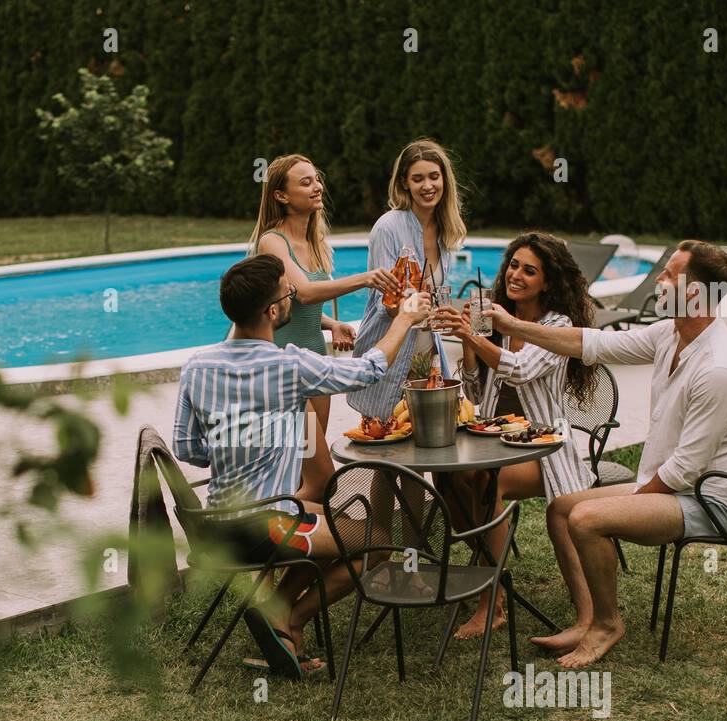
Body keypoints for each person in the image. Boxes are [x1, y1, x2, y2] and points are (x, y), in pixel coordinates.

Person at [482, 240, 727, 666]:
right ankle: (586, 619)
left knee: (588, 518)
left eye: (668, 275)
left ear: (695, 294)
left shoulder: (718, 369)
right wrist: (514, 324)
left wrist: (629, 501)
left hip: (701, 500)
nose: (659, 281)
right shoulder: (669, 334)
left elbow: (687, 468)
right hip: (665, 487)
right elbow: (593, 345)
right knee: (562, 508)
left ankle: (607, 624)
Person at [174, 254, 428, 677]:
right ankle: (289, 617)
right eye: (288, 293)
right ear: (273, 311)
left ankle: (278, 611)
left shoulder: (196, 367)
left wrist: (230, 449)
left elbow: (187, 448)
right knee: (376, 542)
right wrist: (404, 319)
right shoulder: (289, 364)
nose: (293, 298)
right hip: (266, 526)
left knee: (332, 521)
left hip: (214, 526)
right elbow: (367, 371)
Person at [434, 233, 596, 639]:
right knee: (450, 476)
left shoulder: (558, 326)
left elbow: (520, 369)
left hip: (545, 448)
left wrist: (472, 335)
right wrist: (468, 345)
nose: (516, 275)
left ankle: (492, 602)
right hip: (494, 438)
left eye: (530, 270)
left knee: (489, 481)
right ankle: (490, 560)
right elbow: (474, 392)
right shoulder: (496, 318)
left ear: (549, 282)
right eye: (514, 265)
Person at [250, 155, 398, 501]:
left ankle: (299, 543)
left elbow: (300, 305)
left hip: (315, 361)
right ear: (281, 196)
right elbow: (304, 291)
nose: (316, 186)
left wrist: (332, 323)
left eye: (316, 179)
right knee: (307, 474)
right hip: (284, 368)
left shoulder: (315, 242)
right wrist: (367, 278)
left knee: (309, 474)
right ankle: (262, 525)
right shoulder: (272, 242)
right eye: (305, 182)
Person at [348, 139, 466, 420]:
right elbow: (384, 304)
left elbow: (434, 300)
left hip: (429, 354)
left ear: (444, 180)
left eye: (434, 177)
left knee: (436, 444)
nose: (427, 186)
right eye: (418, 178)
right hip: (389, 353)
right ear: (404, 183)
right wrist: (409, 306)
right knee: (389, 449)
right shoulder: (388, 227)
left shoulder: (446, 231)